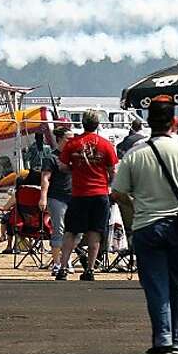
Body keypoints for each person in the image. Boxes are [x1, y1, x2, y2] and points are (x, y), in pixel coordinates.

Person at [110, 101, 178, 354]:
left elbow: (118, 192)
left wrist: (135, 204)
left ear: (147, 123)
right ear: (174, 122)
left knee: (156, 285)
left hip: (146, 225)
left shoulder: (135, 153)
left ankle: (163, 338)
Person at [57, 111, 118, 281]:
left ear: (82, 123)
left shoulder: (73, 143)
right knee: (95, 232)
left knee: (70, 232)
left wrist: (74, 169)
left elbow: (62, 166)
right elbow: (113, 169)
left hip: (79, 194)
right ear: (97, 124)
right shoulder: (106, 145)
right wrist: (109, 183)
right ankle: (90, 269)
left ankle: (63, 268)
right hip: (100, 194)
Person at [40, 125, 73, 276]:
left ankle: (67, 259)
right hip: (56, 197)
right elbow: (46, 178)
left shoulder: (74, 157)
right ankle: (57, 263)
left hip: (72, 197)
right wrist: (43, 197)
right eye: (68, 139)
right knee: (58, 229)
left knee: (73, 231)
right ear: (60, 139)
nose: (72, 141)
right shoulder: (51, 158)